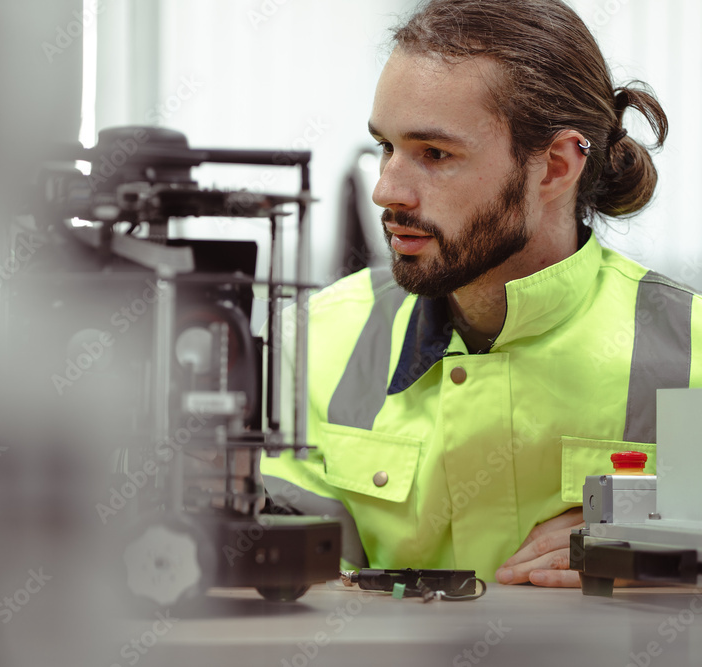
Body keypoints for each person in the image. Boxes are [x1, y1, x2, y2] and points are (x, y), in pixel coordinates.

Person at [260, 0, 702, 587]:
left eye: (435, 154)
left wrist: (674, 557)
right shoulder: (314, 340)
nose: (386, 191)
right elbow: (285, 592)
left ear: (555, 168)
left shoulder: (692, 351)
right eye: (386, 147)